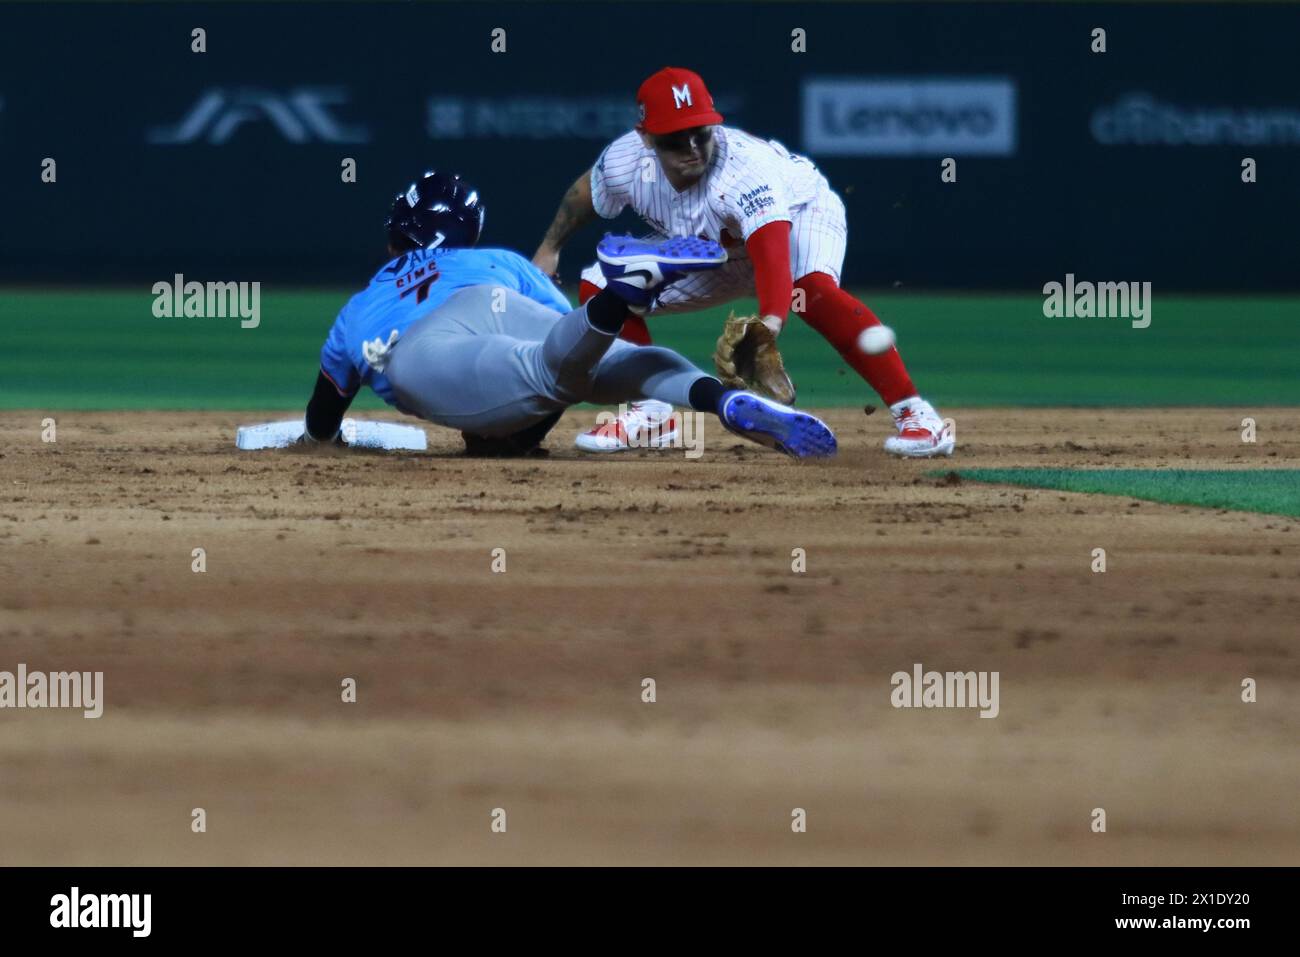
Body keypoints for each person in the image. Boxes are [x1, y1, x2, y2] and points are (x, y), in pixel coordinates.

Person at [532, 66, 954, 459]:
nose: (693, 148)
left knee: (809, 293)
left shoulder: (745, 172)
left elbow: (772, 255)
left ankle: (918, 415)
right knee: (606, 285)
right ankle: (651, 414)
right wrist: (551, 247)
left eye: (700, 132)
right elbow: (585, 194)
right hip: (713, 248)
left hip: (802, 213)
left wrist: (769, 325)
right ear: (646, 138)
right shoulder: (626, 162)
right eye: (675, 139)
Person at [299, 170, 837, 460]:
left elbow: (324, 418)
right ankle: (726, 399)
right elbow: (574, 343)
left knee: (549, 372)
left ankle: (622, 291)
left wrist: (319, 443)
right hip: (496, 301)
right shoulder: (497, 260)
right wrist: (521, 433)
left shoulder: (358, 307)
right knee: (617, 358)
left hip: (422, 353)